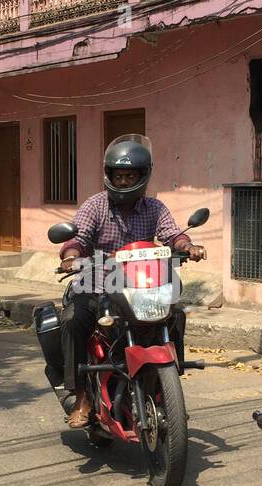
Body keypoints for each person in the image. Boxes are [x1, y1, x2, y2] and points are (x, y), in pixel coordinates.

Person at [57, 134, 206, 429]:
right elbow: (79, 237)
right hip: (98, 283)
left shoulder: (154, 208)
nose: (123, 182)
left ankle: (169, 387)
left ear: (143, 176)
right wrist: (71, 255)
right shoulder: (95, 206)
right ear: (109, 175)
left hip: (142, 285)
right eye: (119, 175)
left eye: (130, 176)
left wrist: (188, 247)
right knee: (74, 318)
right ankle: (81, 395)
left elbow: (172, 234)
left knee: (174, 312)